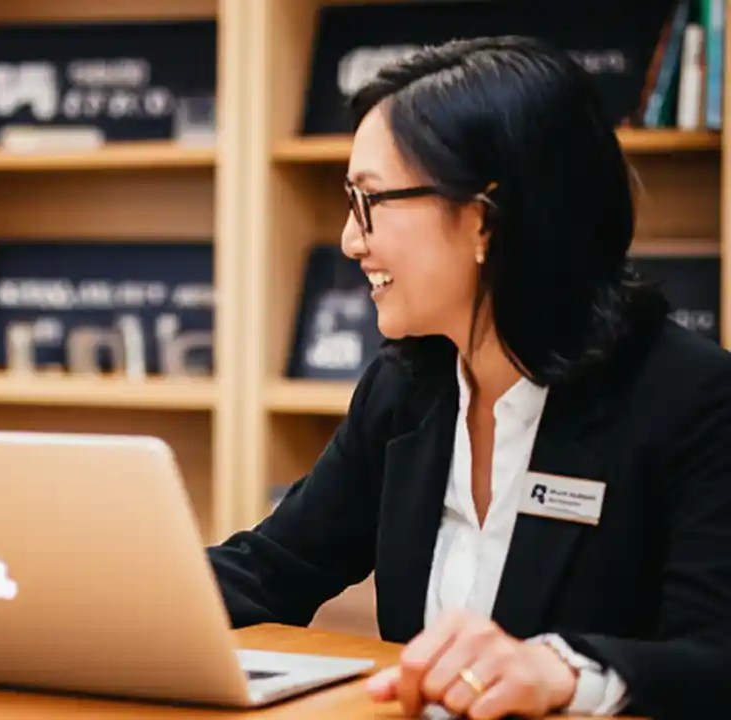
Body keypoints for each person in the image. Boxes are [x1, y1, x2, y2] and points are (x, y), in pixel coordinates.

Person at [208, 37, 731, 719]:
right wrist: (92, 595)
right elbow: (272, 569)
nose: (350, 239)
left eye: (370, 201)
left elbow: (715, 658)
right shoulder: (406, 387)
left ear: (485, 219)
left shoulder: (691, 398)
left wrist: (562, 671)